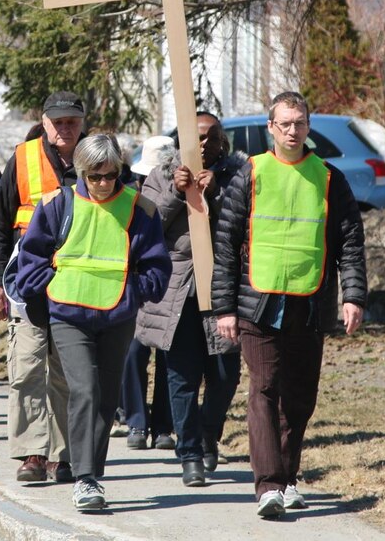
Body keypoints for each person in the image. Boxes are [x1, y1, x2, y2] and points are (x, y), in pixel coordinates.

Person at [212, 91, 367, 518]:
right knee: (264, 386)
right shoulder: (250, 174)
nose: (292, 131)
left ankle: (288, 477)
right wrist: (224, 308)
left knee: (299, 396)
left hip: (310, 302)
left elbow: (350, 242)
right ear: (271, 128)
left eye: (299, 123)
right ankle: (268, 486)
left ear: (308, 126)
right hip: (257, 302)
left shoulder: (330, 178)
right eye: (284, 123)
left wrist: (353, 296)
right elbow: (225, 245)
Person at [13, 134, 171, 512]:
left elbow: (157, 267)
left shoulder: (140, 209)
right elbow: (30, 260)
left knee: (106, 397)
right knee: (83, 389)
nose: (102, 183)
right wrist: (51, 286)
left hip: (117, 316)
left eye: (110, 175)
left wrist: (134, 291)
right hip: (68, 315)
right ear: (81, 172)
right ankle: (85, 478)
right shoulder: (56, 204)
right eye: (94, 176)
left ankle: (90, 472)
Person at [137, 114, 248, 488]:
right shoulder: (160, 176)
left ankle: (207, 434)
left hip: (223, 291)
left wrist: (218, 193)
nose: (202, 144)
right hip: (178, 291)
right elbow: (146, 227)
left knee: (225, 375)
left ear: (222, 143)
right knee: (181, 375)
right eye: (196, 137)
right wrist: (175, 190)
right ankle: (189, 455)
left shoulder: (237, 176)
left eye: (210, 137)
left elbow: (245, 228)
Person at [0, 91, 85, 484]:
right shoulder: (23, 158)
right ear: (44, 122)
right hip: (27, 284)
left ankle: (63, 455)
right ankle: (32, 453)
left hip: (78, 285)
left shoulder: (96, 160)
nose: (65, 128)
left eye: (72, 121)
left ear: (82, 122)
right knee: (26, 369)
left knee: (64, 373)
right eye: (58, 122)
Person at [119, 135, 177, 452]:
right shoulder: (128, 196)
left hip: (171, 285)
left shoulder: (181, 193)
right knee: (133, 354)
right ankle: (136, 422)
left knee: (169, 357)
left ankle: (164, 426)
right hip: (135, 286)